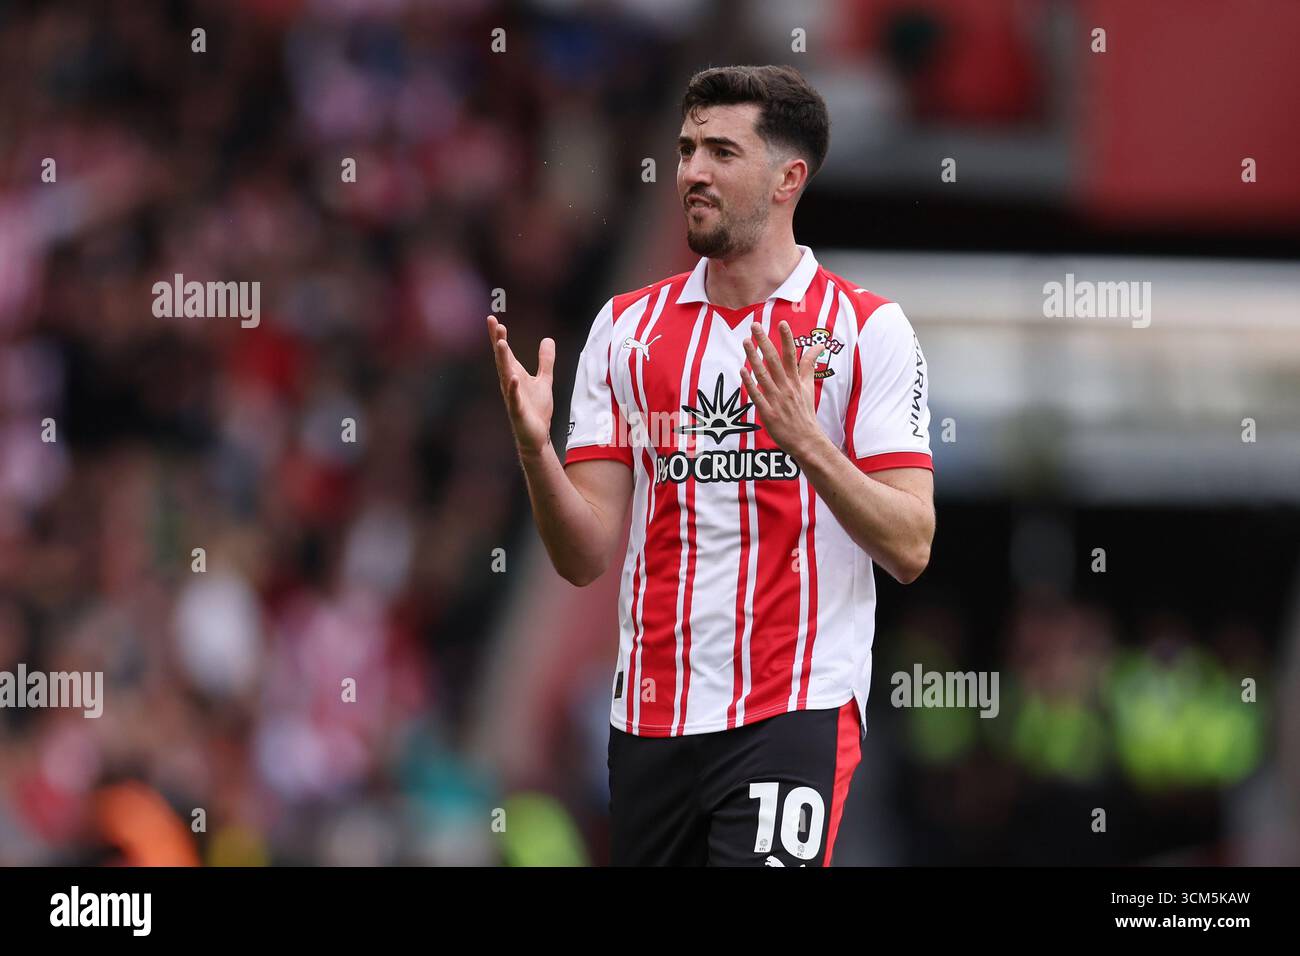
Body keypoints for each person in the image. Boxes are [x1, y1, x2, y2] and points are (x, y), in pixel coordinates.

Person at [487, 64, 935, 866]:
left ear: (787, 179)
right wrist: (534, 453)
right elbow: (584, 553)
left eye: (722, 152)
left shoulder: (869, 330)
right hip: (649, 719)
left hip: (792, 708)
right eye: (688, 148)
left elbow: (910, 545)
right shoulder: (627, 329)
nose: (692, 170)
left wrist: (807, 443)